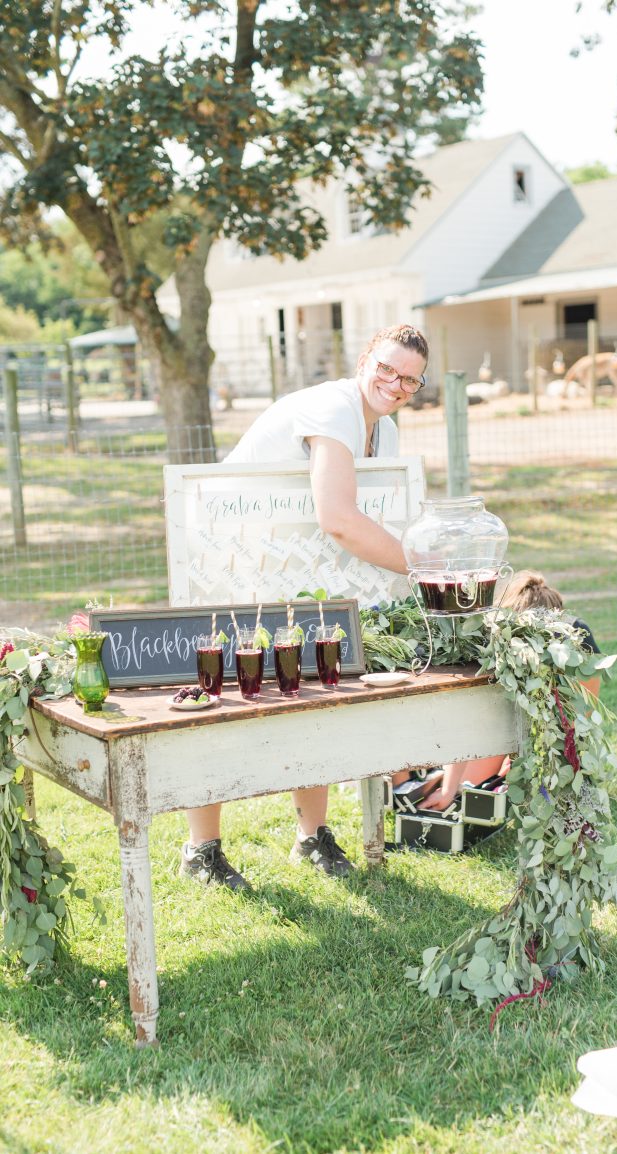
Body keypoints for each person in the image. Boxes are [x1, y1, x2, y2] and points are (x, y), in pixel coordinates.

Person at [180, 323, 430, 890]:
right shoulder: (334, 406)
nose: (394, 384)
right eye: (386, 369)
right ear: (365, 360)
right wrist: (422, 568)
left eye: (409, 380)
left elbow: (371, 519)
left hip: (291, 567)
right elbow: (338, 519)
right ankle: (201, 849)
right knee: (220, 696)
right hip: (230, 555)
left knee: (310, 682)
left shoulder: (382, 430)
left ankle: (311, 837)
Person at [420, 568, 601, 811]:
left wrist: (529, 755)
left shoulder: (578, 637)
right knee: (469, 786)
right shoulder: (493, 642)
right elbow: (470, 723)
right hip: (498, 728)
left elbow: (581, 719)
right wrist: (452, 786)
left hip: (553, 738)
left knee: (540, 791)